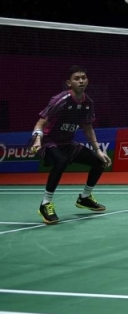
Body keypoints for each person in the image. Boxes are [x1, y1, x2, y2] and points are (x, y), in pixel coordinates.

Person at [31, 65, 112, 225]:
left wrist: (98, 150)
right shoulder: (61, 100)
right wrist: (38, 140)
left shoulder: (88, 103)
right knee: (61, 161)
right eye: (77, 78)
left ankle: (85, 198)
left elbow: (88, 128)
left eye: (83, 78)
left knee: (99, 161)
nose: (81, 81)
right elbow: (41, 123)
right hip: (48, 142)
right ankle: (45, 204)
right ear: (69, 83)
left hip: (68, 144)